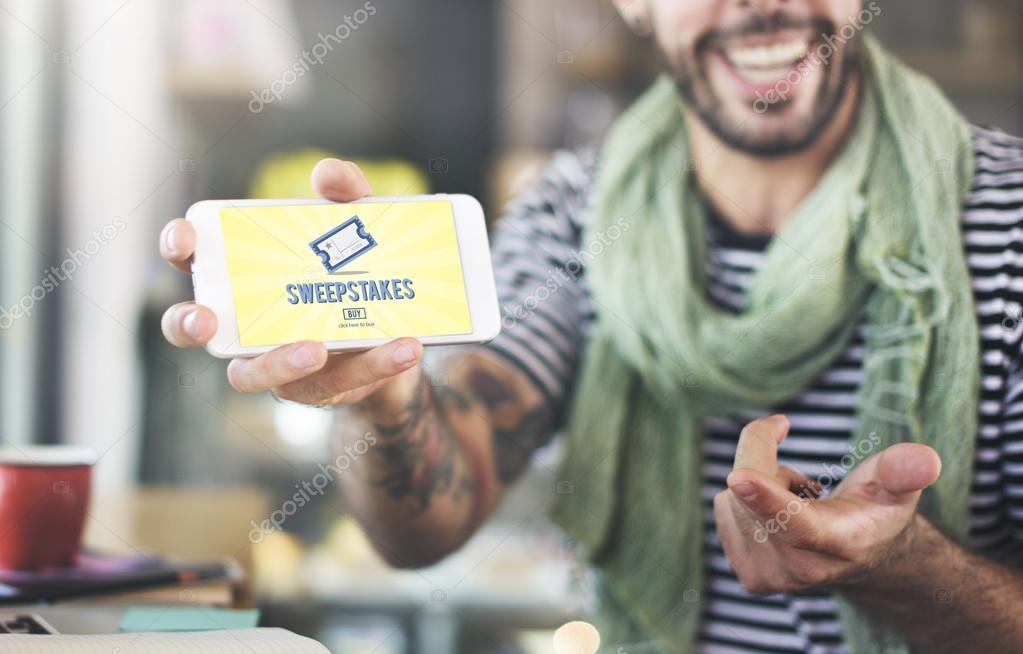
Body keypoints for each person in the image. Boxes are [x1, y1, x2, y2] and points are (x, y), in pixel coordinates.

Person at [160, 1, 1023, 651]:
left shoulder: (1010, 218)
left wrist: (909, 571)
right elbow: (426, 523)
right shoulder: (573, 213)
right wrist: (384, 402)